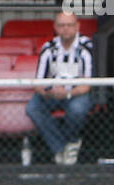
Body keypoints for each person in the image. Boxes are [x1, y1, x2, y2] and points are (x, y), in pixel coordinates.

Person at [27, 11, 95, 165]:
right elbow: (38, 82)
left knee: (77, 109)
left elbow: (88, 84)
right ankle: (61, 148)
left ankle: (71, 141)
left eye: (70, 25)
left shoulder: (86, 47)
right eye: (62, 25)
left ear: (77, 26)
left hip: (77, 93)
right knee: (32, 108)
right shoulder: (48, 48)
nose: (66, 29)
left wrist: (68, 92)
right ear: (55, 28)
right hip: (52, 94)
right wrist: (49, 91)